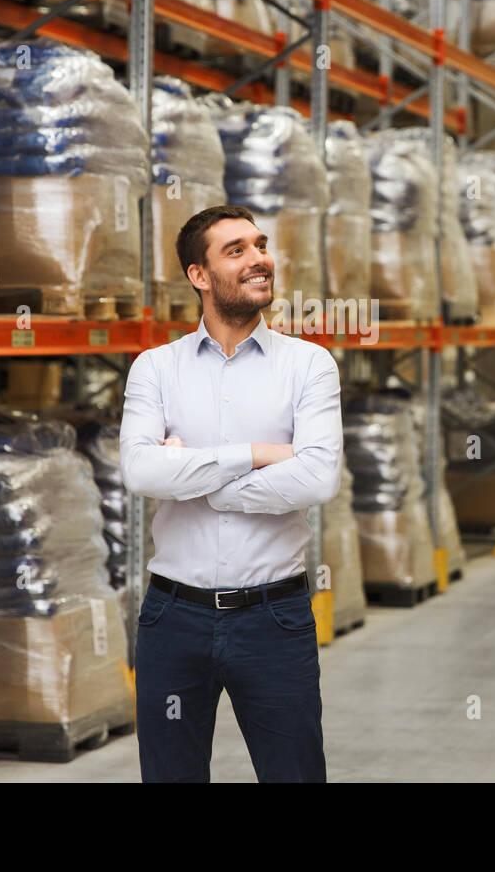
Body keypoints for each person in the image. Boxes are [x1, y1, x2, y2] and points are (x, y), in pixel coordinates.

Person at [120, 204, 342, 783]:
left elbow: (319, 478)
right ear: (199, 275)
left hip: (275, 619)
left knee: (294, 774)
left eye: (261, 245)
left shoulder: (309, 366)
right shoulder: (154, 368)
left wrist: (198, 479)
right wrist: (258, 454)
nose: (259, 259)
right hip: (174, 618)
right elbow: (141, 474)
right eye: (236, 250)